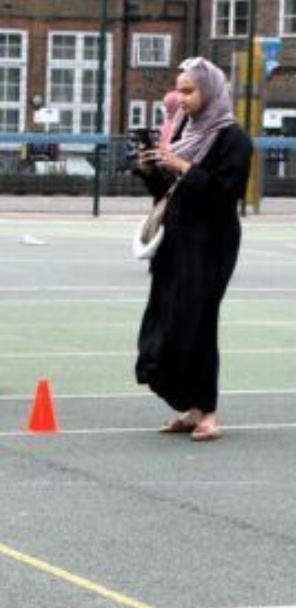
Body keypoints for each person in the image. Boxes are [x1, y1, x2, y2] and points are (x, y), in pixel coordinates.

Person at [134, 57, 252, 443]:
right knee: (165, 320)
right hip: (178, 237)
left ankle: (208, 412)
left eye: (188, 90)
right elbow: (168, 194)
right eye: (178, 90)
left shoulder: (233, 138)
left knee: (198, 323)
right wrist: (152, 168)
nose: (179, 98)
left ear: (210, 91)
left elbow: (223, 195)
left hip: (211, 244)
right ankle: (191, 407)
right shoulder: (186, 130)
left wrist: (181, 165)